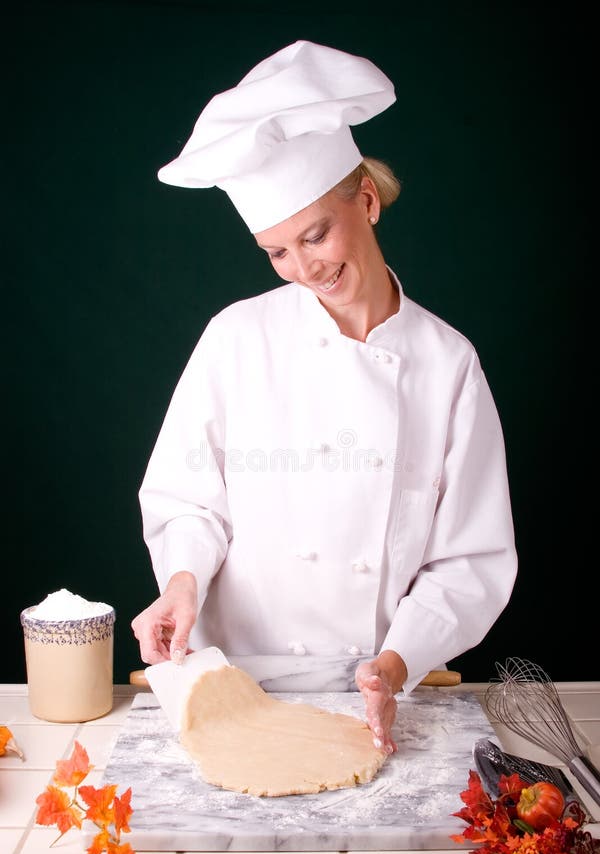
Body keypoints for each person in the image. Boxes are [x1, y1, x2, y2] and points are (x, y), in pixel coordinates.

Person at [132, 40, 518, 755]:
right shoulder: (236, 338)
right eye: (277, 252)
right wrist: (181, 580)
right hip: (234, 689)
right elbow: (187, 500)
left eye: (315, 235)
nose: (304, 267)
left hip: (370, 688)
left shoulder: (448, 363)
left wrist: (398, 663)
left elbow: (469, 558)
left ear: (366, 200)